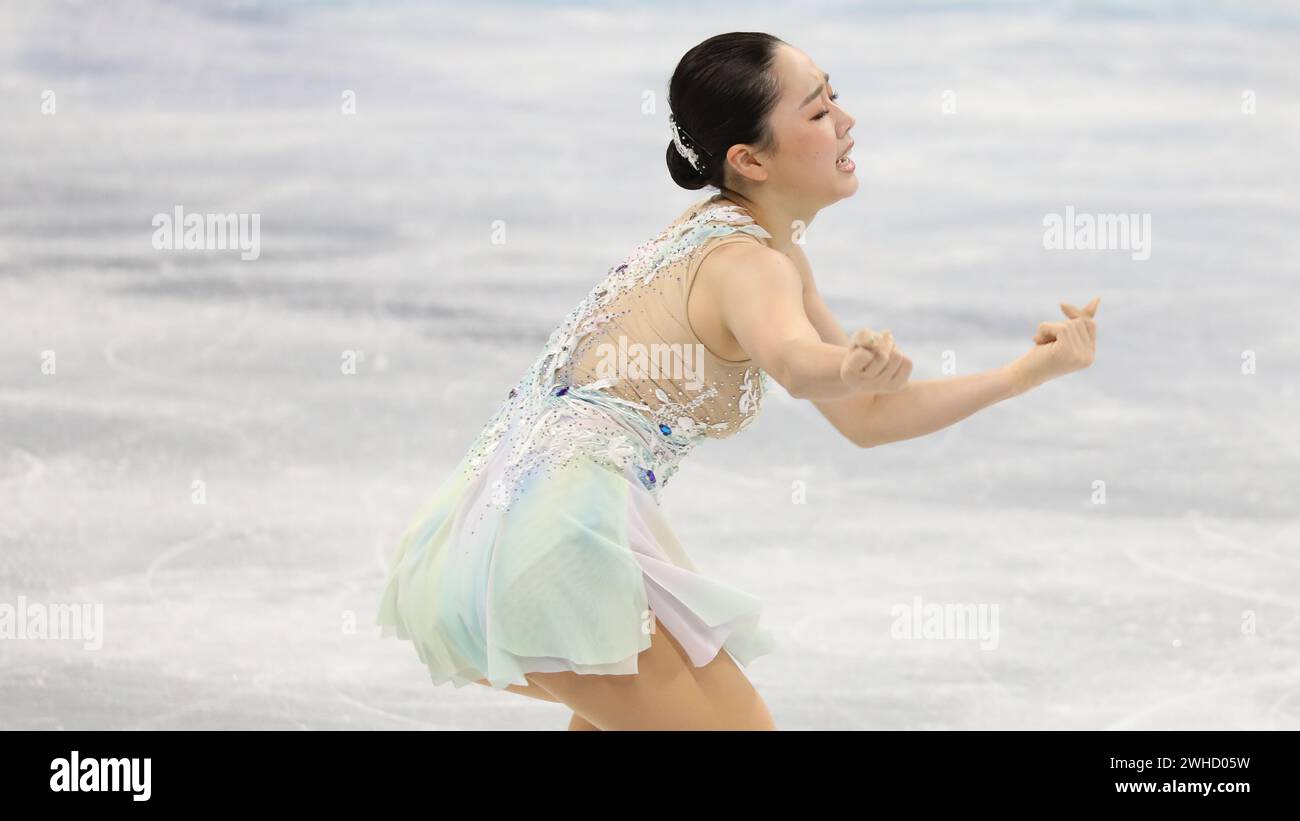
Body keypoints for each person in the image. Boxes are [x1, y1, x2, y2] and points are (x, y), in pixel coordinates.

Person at [376, 32, 1099, 731]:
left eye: (835, 98)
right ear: (750, 159)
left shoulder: (765, 248)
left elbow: (868, 417)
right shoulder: (747, 262)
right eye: (817, 112)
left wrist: (1022, 373)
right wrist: (843, 366)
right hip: (555, 539)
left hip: (530, 530)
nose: (846, 122)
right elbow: (792, 359)